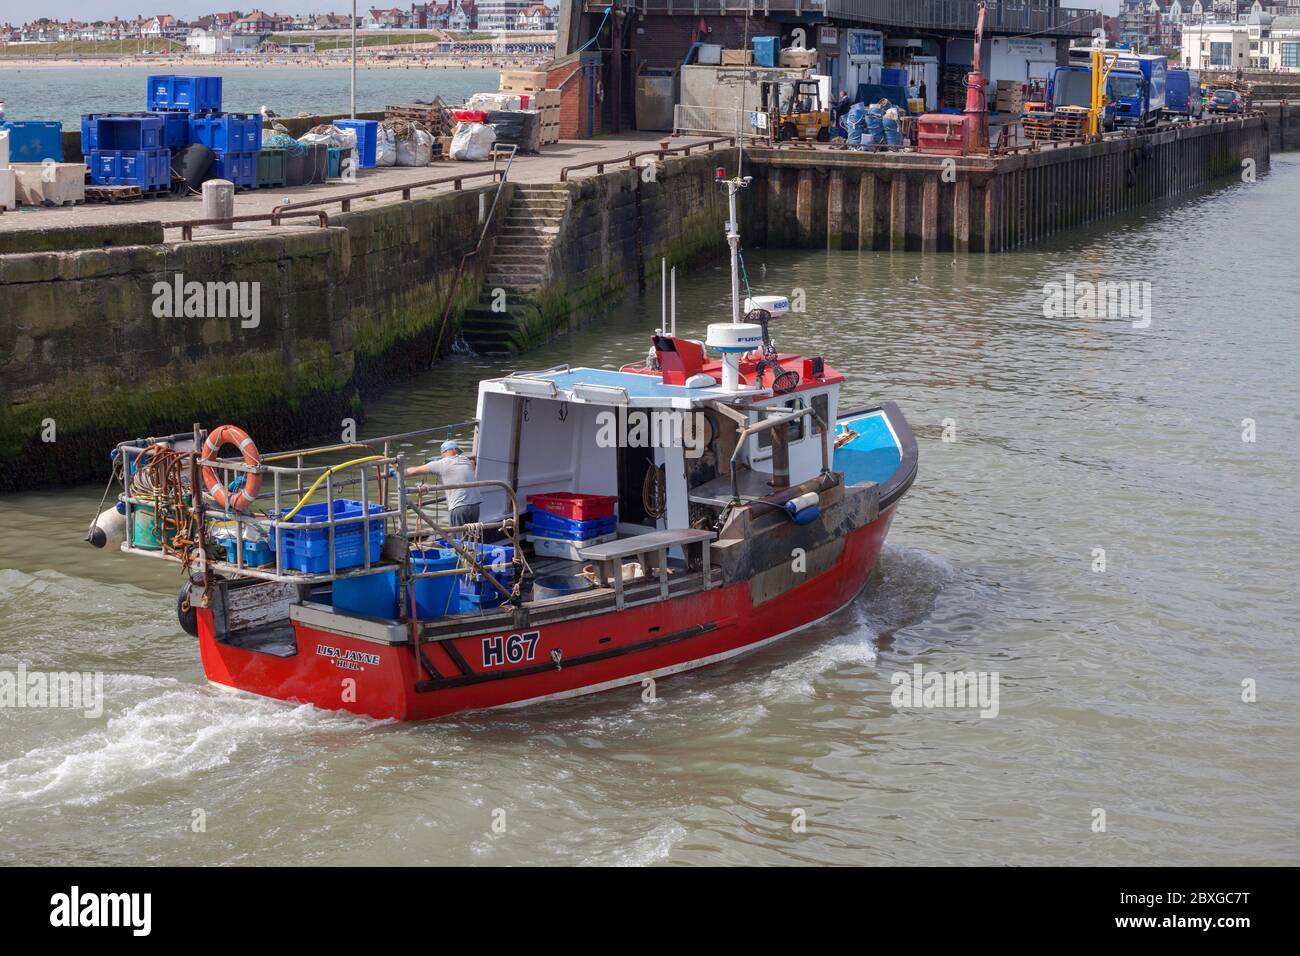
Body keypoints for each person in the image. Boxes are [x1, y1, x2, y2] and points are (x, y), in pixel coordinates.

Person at [405, 439, 481, 527]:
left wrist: (397, 471)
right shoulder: (466, 461)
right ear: (453, 450)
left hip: (459, 507)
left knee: (459, 538)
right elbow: (471, 466)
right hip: (475, 505)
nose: (458, 454)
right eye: (457, 451)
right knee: (472, 535)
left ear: (444, 452)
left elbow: (413, 471)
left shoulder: (441, 464)